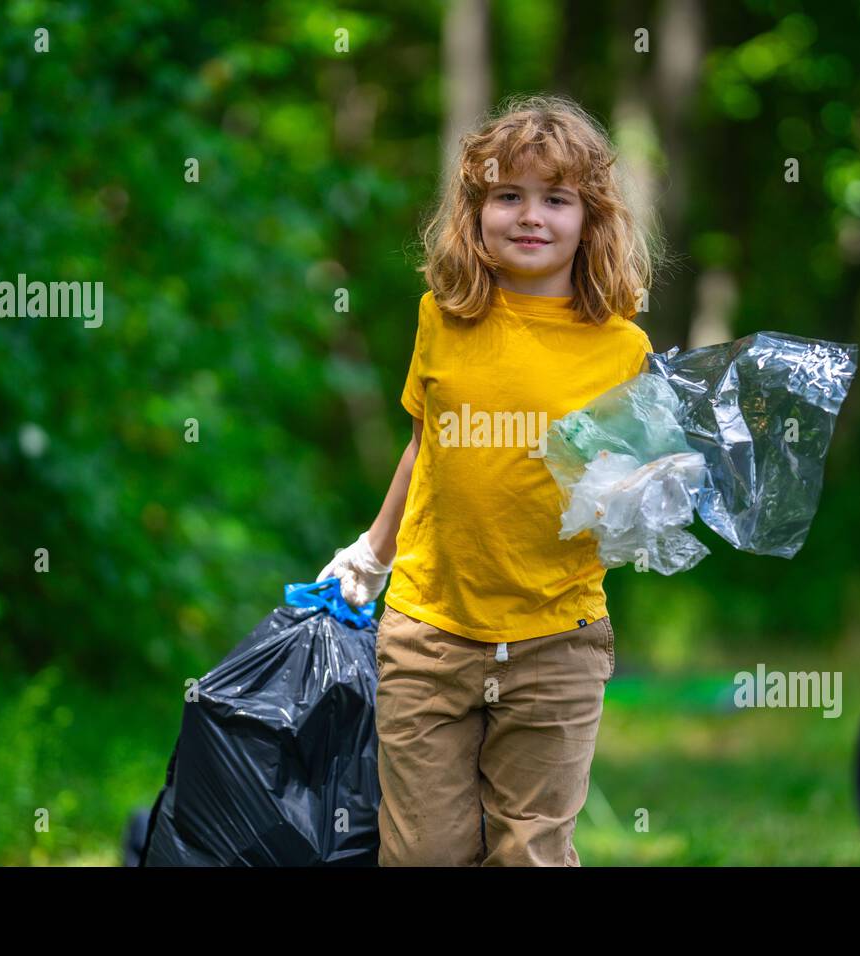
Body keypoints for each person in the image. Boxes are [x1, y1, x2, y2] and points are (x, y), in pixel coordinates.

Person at [318, 93, 661, 866]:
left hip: (556, 640)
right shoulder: (443, 316)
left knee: (529, 853)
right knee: (421, 854)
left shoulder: (622, 346)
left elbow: (636, 478)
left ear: (591, 217)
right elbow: (422, 447)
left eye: (555, 199)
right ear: (475, 213)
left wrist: (647, 494)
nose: (530, 215)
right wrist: (371, 553)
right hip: (428, 631)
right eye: (508, 195)